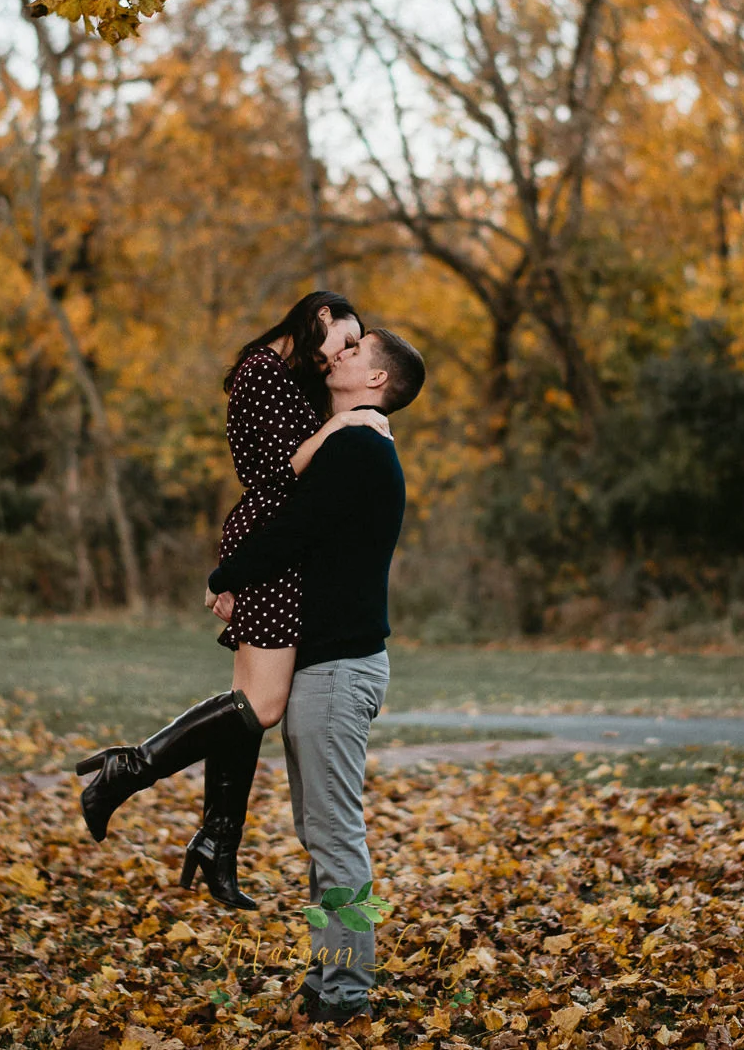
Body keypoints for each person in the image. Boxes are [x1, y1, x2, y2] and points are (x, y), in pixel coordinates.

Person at [74, 292, 390, 909]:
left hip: (278, 542)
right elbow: (288, 467)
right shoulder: (261, 372)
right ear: (320, 318)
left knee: (251, 701)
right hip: (270, 537)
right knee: (264, 705)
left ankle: (218, 840)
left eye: (354, 352)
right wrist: (347, 421)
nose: (341, 356)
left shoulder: (287, 376)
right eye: (344, 341)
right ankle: (129, 770)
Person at [204, 327, 426, 1024]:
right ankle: (330, 970)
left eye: (358, 352)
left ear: (377, 381)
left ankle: (348, 986)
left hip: (338, 668)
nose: (342, 353)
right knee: (321, 829)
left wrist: (227, 575)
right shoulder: (355, 437)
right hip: (331, 666)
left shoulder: (359, 445)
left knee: (335, 832)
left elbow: (293, 527)